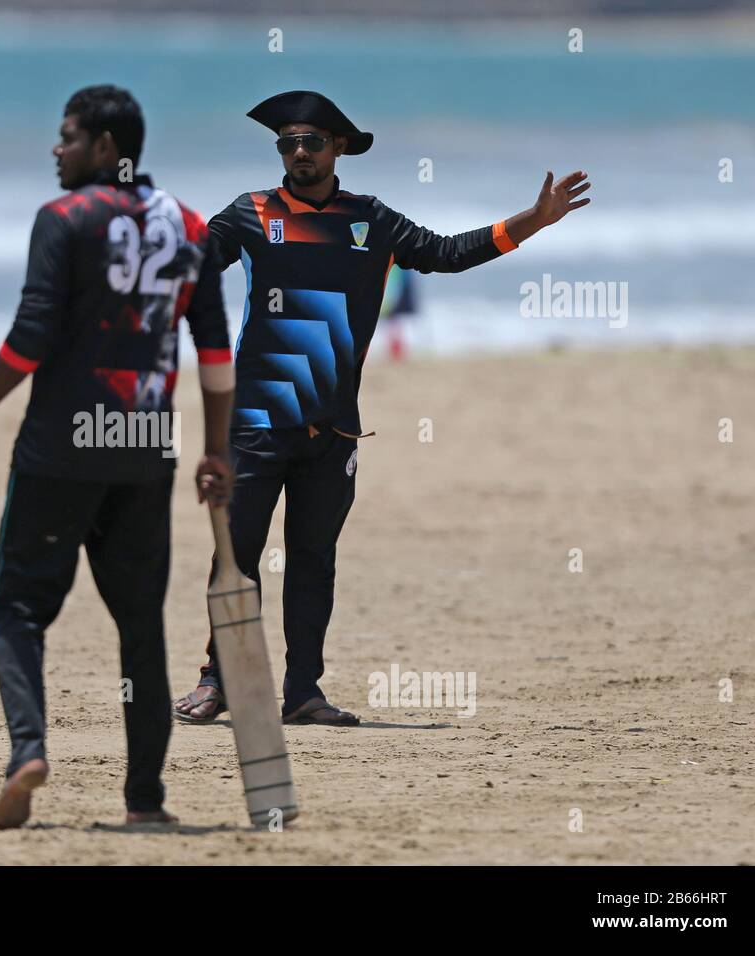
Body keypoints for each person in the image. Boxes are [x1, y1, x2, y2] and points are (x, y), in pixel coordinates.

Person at [173, 90, 590, 726]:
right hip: (256, 421)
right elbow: (190, 269)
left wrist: (530, 222)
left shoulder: (372, 220)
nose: (299, 152)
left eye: (312, 140)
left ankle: (303, 691)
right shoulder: (252, 212)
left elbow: (448, 254)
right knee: (236, 555)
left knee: (314, 560)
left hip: (333, 425)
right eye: (288, 142)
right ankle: (218, 678)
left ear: (339, 147)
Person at [0, 85, 236, 828]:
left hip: (62, 446)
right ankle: (146, 802)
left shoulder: (65, 221)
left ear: (108, 148)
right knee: (140, 625)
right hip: (144, 447)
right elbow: (212, 347)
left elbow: (31, 335)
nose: (57, 148)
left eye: (68, 136)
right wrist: (215, 448)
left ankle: (28, 753)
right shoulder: (190, 227)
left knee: (17, 606)